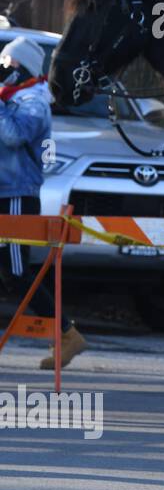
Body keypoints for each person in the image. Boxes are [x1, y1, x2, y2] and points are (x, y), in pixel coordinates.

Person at [0, 37, 88, 369]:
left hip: (15, 195)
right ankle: (65, 333)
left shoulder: (34, 100)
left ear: (22, 68)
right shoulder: (10, 96)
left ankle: (67, 334)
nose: (2, 71)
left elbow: (12, 136)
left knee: (17, 273)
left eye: (7, 65)